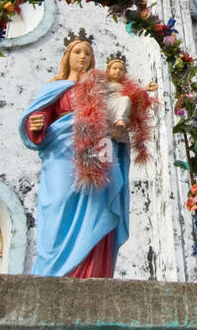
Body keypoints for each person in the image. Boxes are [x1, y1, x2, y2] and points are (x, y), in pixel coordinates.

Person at [19, 31, 152, 278]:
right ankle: (54, 271)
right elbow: (38, 119)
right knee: (58, 205)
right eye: (78, 52)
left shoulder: (100, 89)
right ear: (67, 56)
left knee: (98, 205)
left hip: (97, 146)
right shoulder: (55, 88)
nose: (83, 57)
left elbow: (119, 111)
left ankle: (91, 273)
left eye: (88, 53)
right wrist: (35, 125)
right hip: (61, 151)